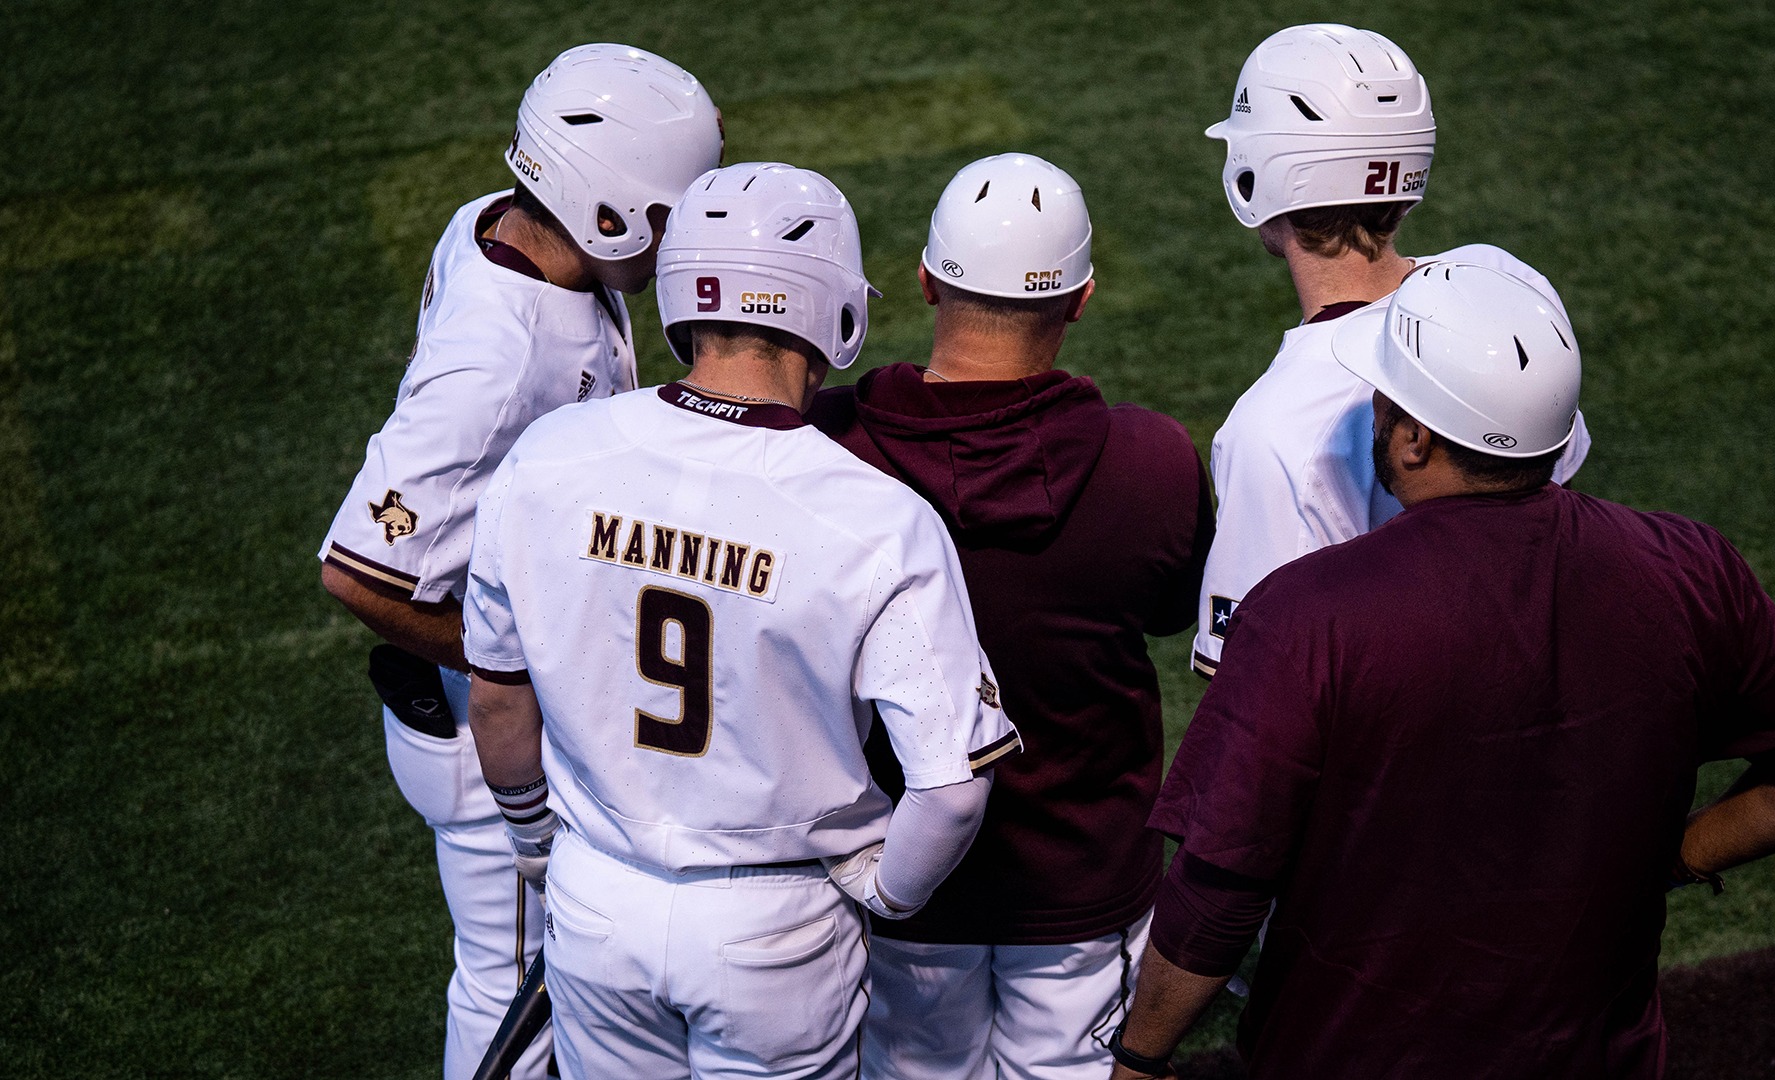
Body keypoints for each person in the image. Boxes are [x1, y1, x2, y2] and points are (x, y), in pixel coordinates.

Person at [1109, 263, 1775, 1079]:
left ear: (1414, 438)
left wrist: (1141, 1058)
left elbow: (1219, 891)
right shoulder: (1690, 568)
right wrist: (1677, 856)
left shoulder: (1307, 617)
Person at [461, 161, 1020, 1079]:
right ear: (837, 312)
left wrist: (533, 840)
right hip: (778, 928)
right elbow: (954, 789)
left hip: (596, 895)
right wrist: (890, 893)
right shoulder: (877, 518)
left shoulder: (549, 455)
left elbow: (495, 699)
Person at [315, 44, 722, 1080]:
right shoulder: (495, 360)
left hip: (496, 707)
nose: (682, 235)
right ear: (605, 208)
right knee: (513, 983)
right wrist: (511, 657)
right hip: (478, 729)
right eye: (668, 212)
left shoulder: (503, 222)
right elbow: (357, 570)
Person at [809, 153, 1213, 1080]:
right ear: (1081, 299)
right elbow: (1169, 612)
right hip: (1083, 882)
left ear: (925, 280)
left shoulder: (830, 447)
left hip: (895, 875)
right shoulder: (1152, 459)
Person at [1191, 22, 1593, 679]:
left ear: (1257, 177)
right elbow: (1557, 509)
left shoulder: (1273, 430)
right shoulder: (1510, 290)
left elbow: (1254, 692)